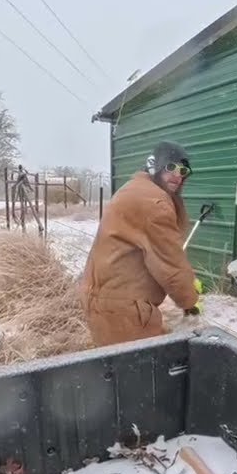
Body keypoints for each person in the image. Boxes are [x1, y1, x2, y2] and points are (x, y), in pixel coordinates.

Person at [80, 141, 203, 346]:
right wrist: (189, 301)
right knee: (141, 373)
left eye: (183, 170)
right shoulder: (154, 203)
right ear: (155, 166)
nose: (177, 175)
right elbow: (170, 263)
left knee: (117, 369)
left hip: (103, 299)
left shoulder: (136, 188)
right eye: (170, 167)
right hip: (123, 308)